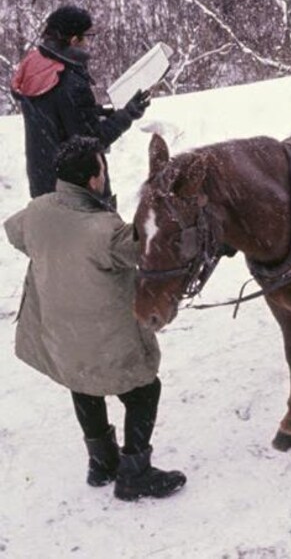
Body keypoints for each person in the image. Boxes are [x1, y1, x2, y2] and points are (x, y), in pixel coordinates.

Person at [3, 136, 186, 501]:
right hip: (104, 337)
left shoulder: (36, 212)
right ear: (92, 181)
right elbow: (148, 248)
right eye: (102, 168)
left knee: (83, 386)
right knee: (144, 391)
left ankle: (102, 463)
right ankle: (135, 471)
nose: (105, 174)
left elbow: (13, 231)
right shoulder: (105, 231)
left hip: (61, 333)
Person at [10, 5, 150, 198]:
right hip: (79, 191)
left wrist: (100, 112)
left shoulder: (36, 65)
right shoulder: (70, 82)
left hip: (44, 185)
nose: (88, 44)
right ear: (74, 40)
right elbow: (92, 140)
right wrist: (128, 114)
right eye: (87, 37)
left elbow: (59, 114)